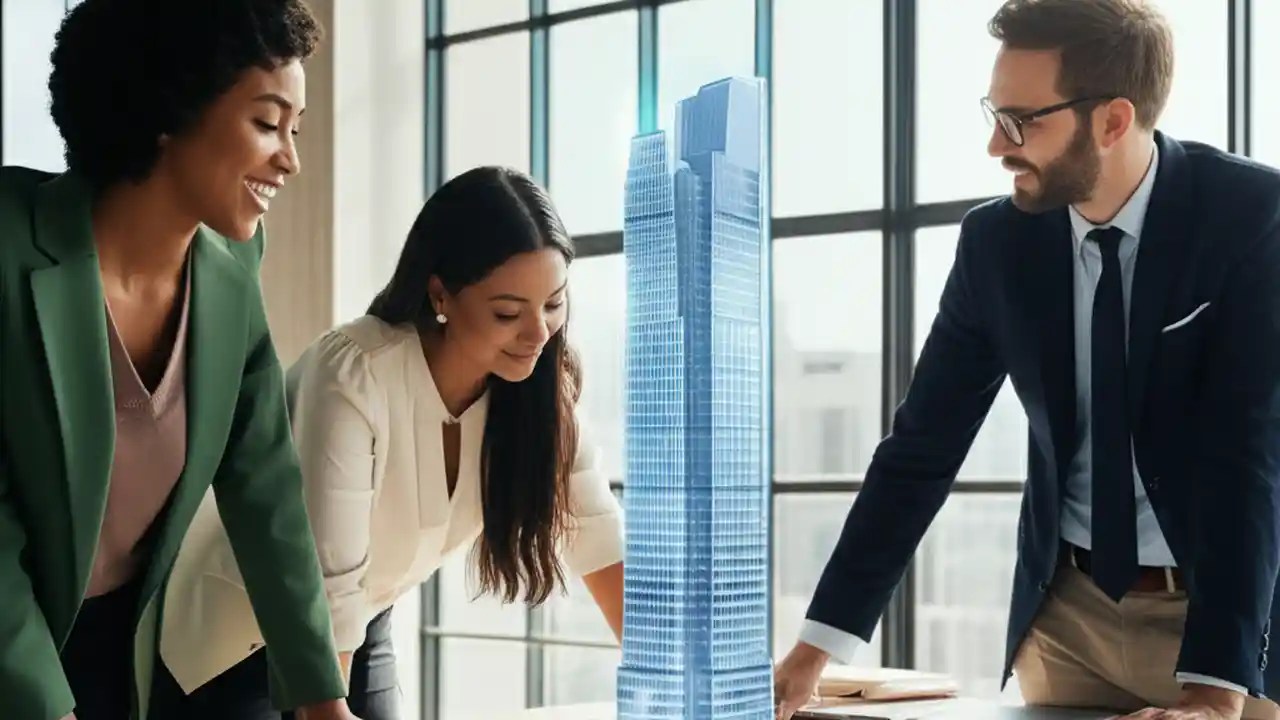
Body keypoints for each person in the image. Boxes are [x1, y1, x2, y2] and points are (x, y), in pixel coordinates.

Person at [773, 1, 1280, 719]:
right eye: (994, 113)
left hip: (1226, 625)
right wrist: (812, 650)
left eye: (1021, 121)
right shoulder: (996, 245)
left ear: (1111, 121)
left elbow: (1249, 454)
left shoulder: (1250, 215)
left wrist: (1214, 694)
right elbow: (921, 448)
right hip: (1068, 622)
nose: (994, 146)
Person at [0, 1, 361, 720]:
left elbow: (266, 490)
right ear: (169, 107)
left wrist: (324, 702)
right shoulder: (10, 245)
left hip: (111, 656)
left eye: (296, 129)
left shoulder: (231, 266)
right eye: (266, 123)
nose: (290, 158)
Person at [160, 165, 627, 719]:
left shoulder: (544, 387)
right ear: (441, 295)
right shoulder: (356, 373)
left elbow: (598, 534)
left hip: (361, 618)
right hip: (238, 632)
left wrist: (696, 670)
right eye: (508, 312)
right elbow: (325, 573)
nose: (538, 334)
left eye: (554, 303)